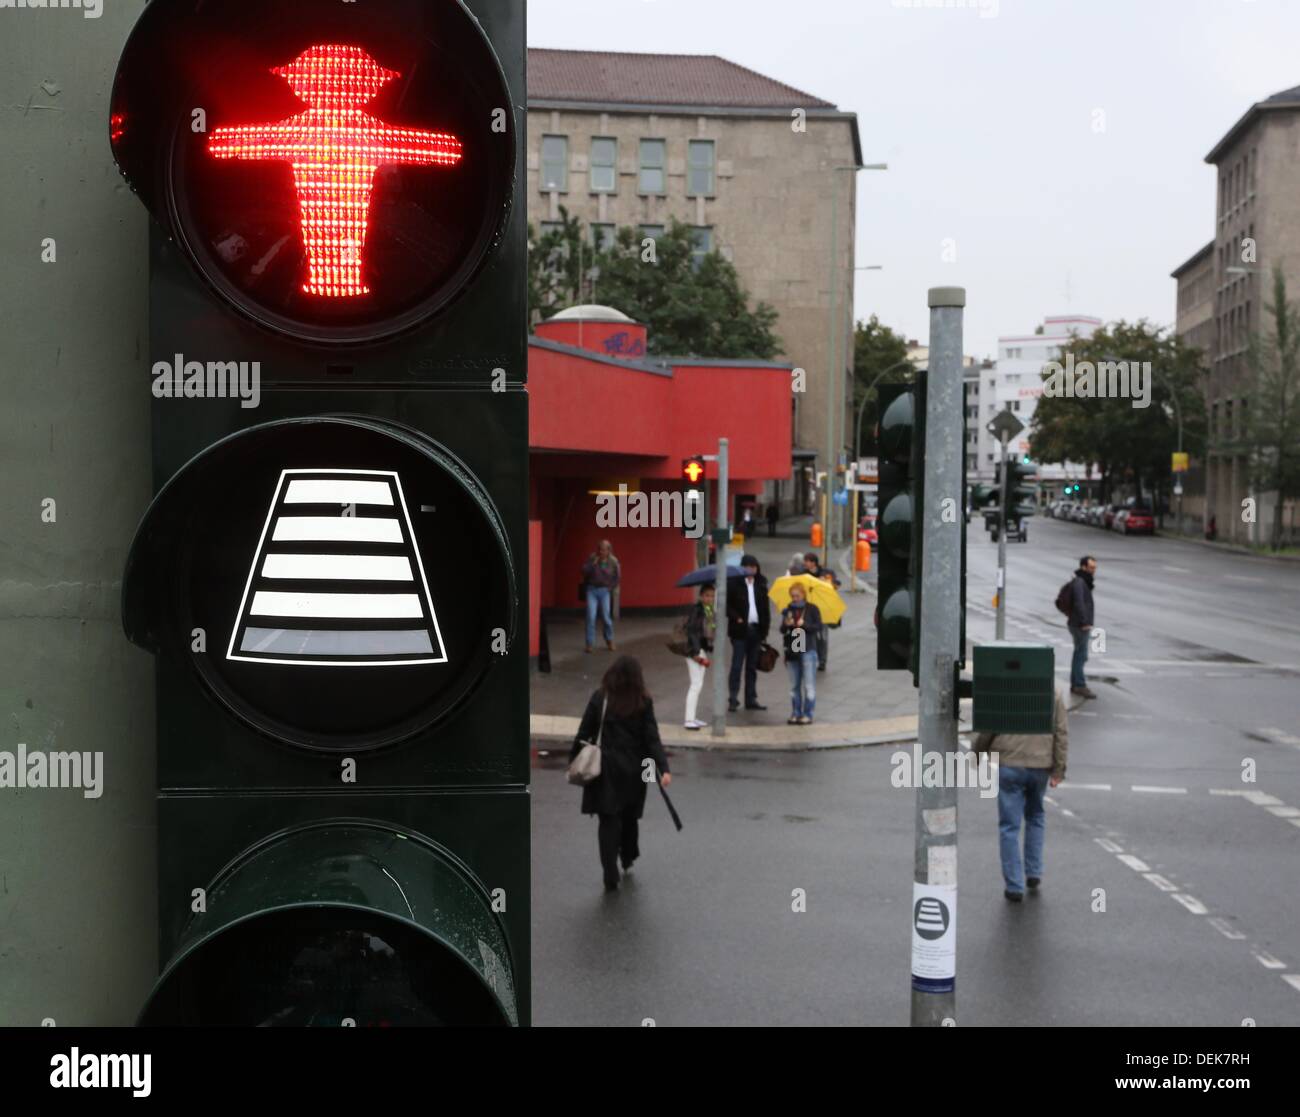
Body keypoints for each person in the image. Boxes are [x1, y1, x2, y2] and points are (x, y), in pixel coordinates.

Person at [571, 656, 671, 892]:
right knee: (630, 815)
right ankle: (627, 856)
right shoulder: (642, 700)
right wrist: (662, 769)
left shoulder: (601, 697)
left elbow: (584, 733)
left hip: (605, 768)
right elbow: (652, 738)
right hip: (636, 768)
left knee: (608, 820)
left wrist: (573, 760)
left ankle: (610, 872)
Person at [974, 687, 1069, 901]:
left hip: (1010, 764)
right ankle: (1033, 872)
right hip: (1040, 764)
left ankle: (1014, 886)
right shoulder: (1052, 692)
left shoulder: (1005, 689)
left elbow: (988, 727)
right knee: (1035, 816)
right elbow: (1061, 732)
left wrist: (977, 755)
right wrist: (1058, 769)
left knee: (1009, 826)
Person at [725, 553, 770, 712]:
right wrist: (736, 617)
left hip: (756, 630)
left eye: (753, 567)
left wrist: (764, 631)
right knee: (737, 666)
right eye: (747, 566)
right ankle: (733, 698)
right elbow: (726, 605)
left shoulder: (761, 584)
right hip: (740, 631)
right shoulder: (734, 583)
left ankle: (751, 698)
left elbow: (765, 609)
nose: (750, 570)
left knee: (752, 667)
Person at [779, 582, 822, 725]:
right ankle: (796, 712)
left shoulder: (812, 609)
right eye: (792, 596)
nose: (794, 598)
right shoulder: (788, 610)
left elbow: (818, 627)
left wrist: (804, 624)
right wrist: (786, 624)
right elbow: (782, 630)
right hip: (793, 649)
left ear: (803, 594)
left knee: (809, 685)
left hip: (808, 650)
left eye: (797, 596)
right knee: (794, 685)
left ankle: (808, 714)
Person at [682, 584, 716, 730]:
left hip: (700, 650)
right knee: (695, 684)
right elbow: (692, 632)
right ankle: (689, 719)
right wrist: (696, 653)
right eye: (707, 595)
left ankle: (692, 717)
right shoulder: (697, 610)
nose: (710, 598)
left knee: (698, 684)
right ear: (701, 596)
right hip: (694, 651)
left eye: (712, 596)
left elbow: (706, 632)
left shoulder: (708, 611)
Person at [1065, 554, 1097, 699]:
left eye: (1095, 568)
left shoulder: (1083, 581)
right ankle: (1079, 684)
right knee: (1081, 655)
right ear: (1083, 567)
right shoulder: (1080, 582)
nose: (1093, 570)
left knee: (1079, 653)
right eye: (1091, 567)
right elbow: (1079, 603)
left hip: (1078, 623)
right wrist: (1084, 622)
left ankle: (1075, 683)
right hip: (1079, 624)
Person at [581, 540, 620, 653]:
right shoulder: (593, 558)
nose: (600, 552)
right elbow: (584, 571)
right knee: (591, 616)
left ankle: (609, 640)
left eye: (603, 550)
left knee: (606, 617)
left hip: (604, 591)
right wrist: (592, 564)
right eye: (599, 549)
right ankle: (589, 643)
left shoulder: (613, 561)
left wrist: (610, 587)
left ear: (609, 550)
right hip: (592, 590)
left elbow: (617, 577)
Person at [802, 551, 839, 672]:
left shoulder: (826, 573)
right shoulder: (803, 574)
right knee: (802, 633)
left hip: (822, 610)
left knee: (822, 637)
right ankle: (799, 657)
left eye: (807, 561)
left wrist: (827, 582)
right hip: (807, 610)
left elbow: (836, 585)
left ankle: (822, 661)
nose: (805, 563)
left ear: (813, 563)